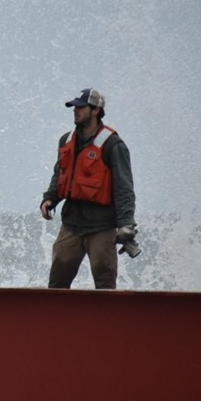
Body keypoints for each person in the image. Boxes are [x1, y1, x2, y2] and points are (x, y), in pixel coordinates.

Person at [39, 88, 136, 289]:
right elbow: (60, 174)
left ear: (95, 110)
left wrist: (126, 224)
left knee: (104, 282)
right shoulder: (66, 140)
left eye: (81, 107)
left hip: (102, 227)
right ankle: (54, 319)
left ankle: (106, 320)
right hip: (71, 224)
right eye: (75, 107)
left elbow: (124, 188)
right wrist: (50, 198)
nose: (76, 111)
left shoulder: (113, 145)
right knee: (57, 283)